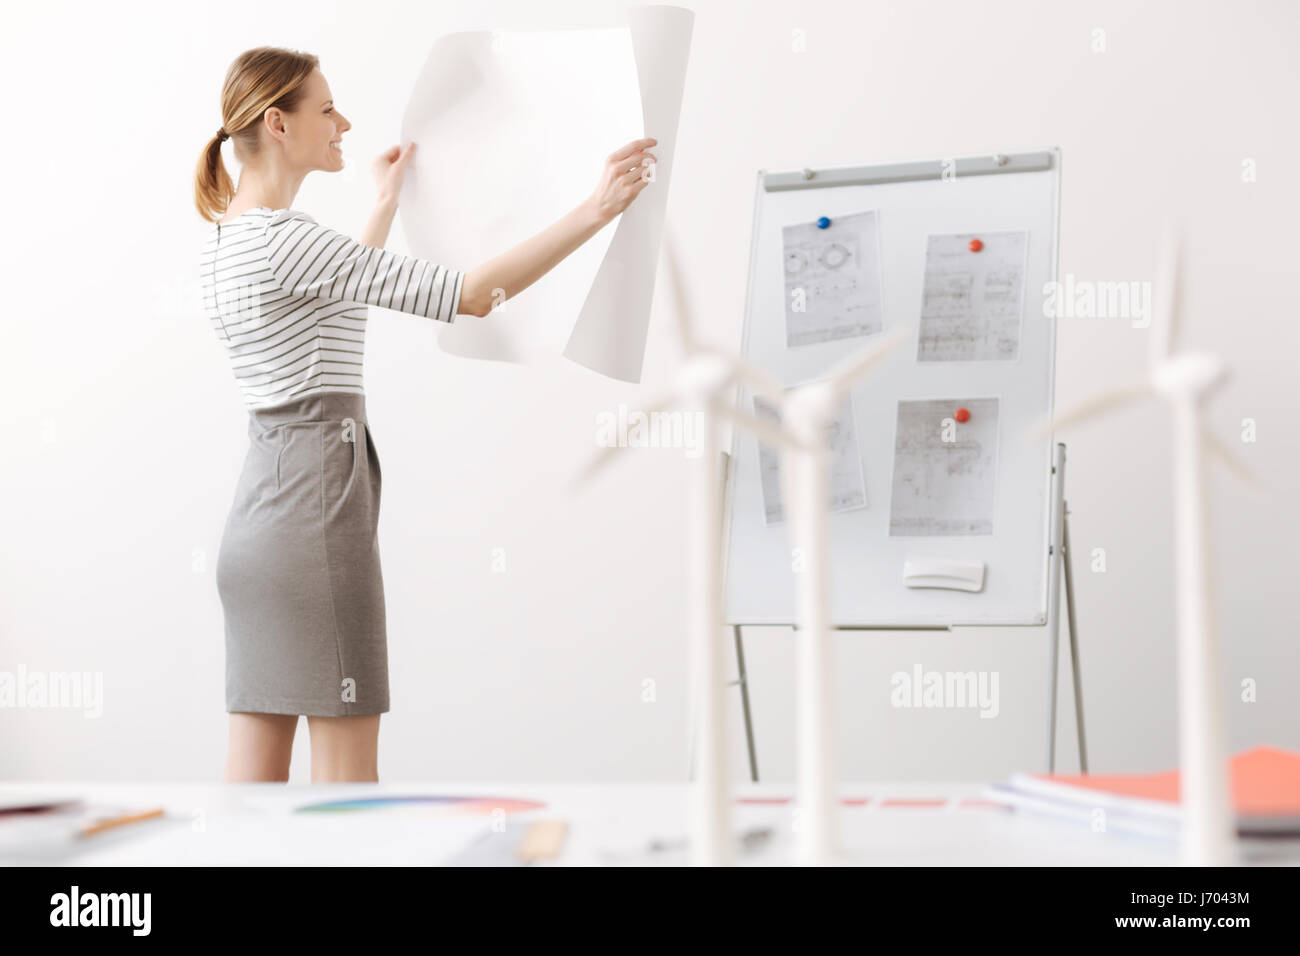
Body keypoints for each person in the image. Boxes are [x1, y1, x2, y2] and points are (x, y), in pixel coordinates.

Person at [194, 45, 656, 783]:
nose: (344, 124)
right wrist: (597, 209)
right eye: (327, 109)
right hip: (315, 529)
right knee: (346, 795)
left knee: (248, 797)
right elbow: (471, 296)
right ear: (277, 124)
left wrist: (383, 205)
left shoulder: (229, 242)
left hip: (258, 536)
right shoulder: (288, 240)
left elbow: (339, 301)